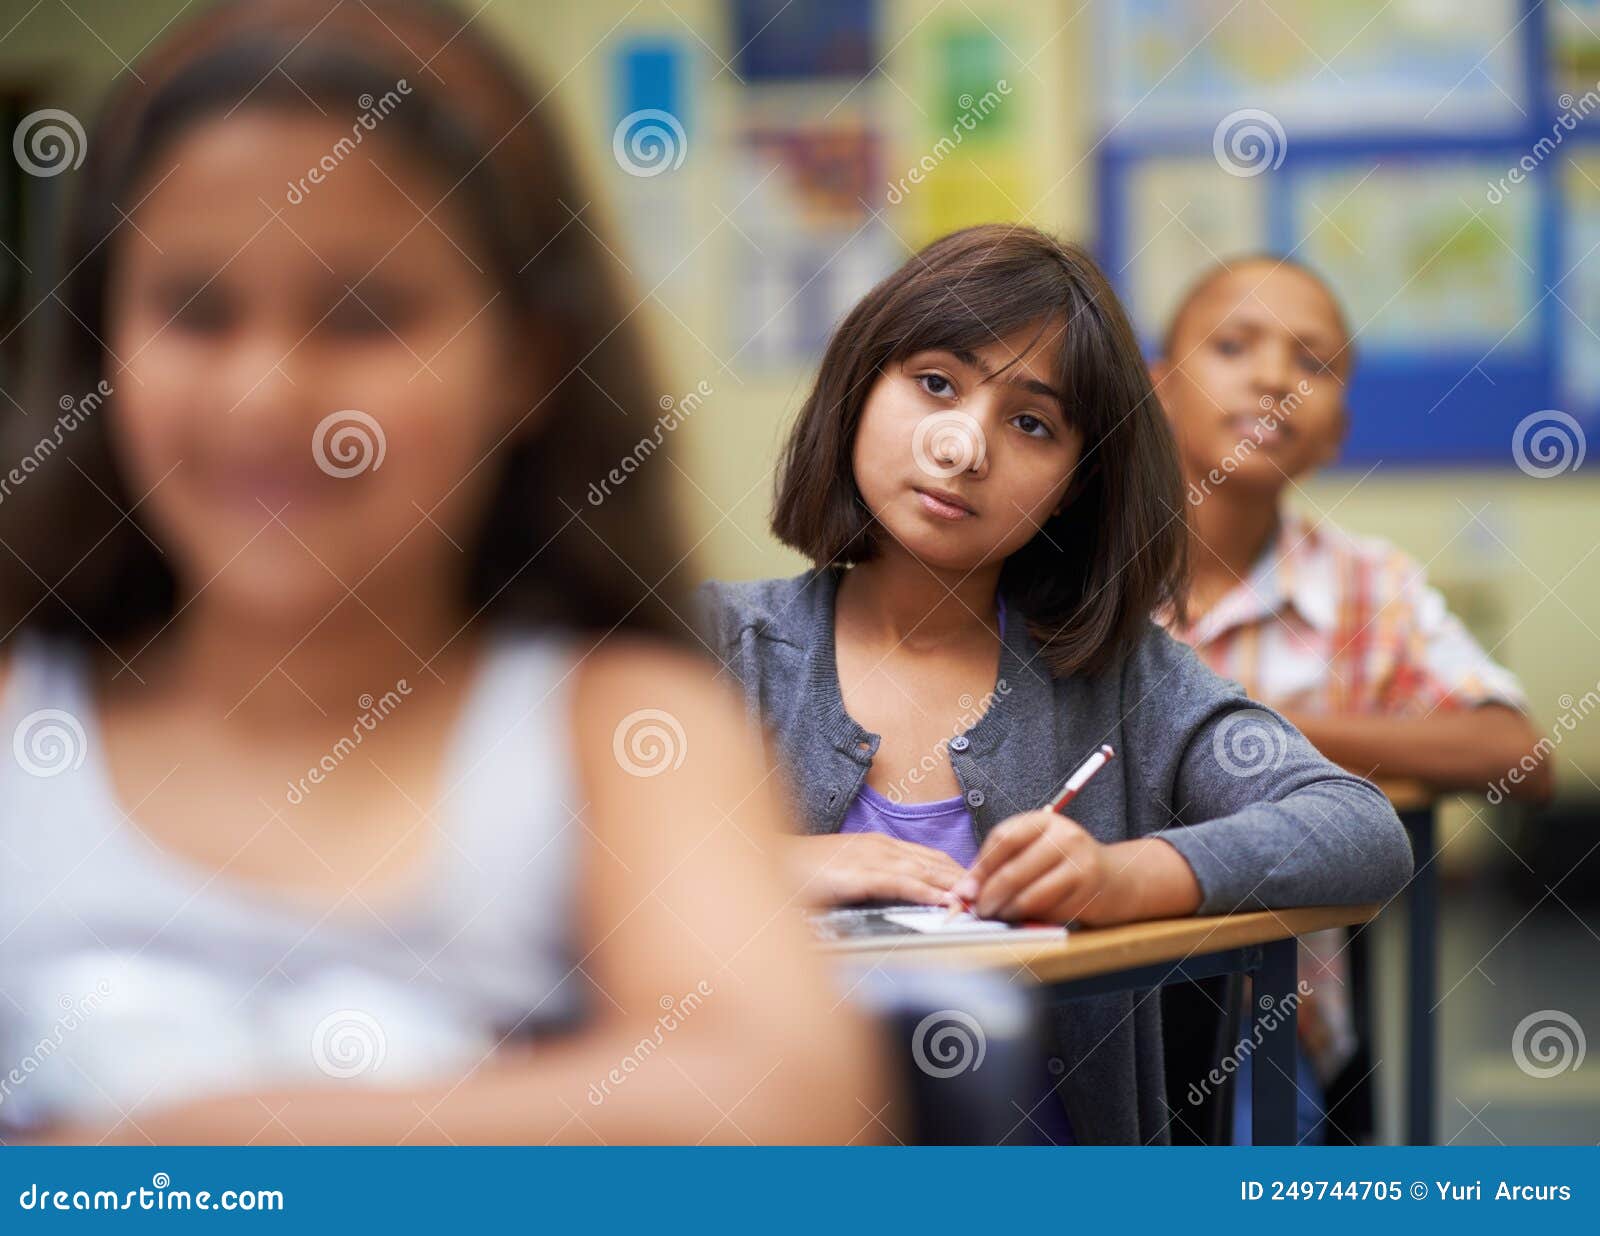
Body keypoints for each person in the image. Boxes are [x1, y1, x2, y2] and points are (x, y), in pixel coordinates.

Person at [0, 0, 884, 1146]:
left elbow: (771, 1101)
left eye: (364, 314)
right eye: (196, 310)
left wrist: (192, 1155)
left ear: (526, 361)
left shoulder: (616, 736)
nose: (265, 395)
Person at [697, 224, 1414, 1144]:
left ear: (1078, 483)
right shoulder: (717, 646)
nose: (964, 447)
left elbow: (1361, 830)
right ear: (857, 384)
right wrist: (777, 865)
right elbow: (504, 857)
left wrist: (1124, 877)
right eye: (935, 384)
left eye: (1032, 423)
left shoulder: (1119, 678)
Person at [1151, 254, 1550, 1141]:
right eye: (1231, 344)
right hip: (1084, 1022)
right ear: (1157, 386)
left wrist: (1256, 729)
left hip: (1286, 1037)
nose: (1272, 378)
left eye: (1313, 363)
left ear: (1336, 429)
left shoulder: (1369, 586)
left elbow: (1519, 756)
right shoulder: (1068, 573)